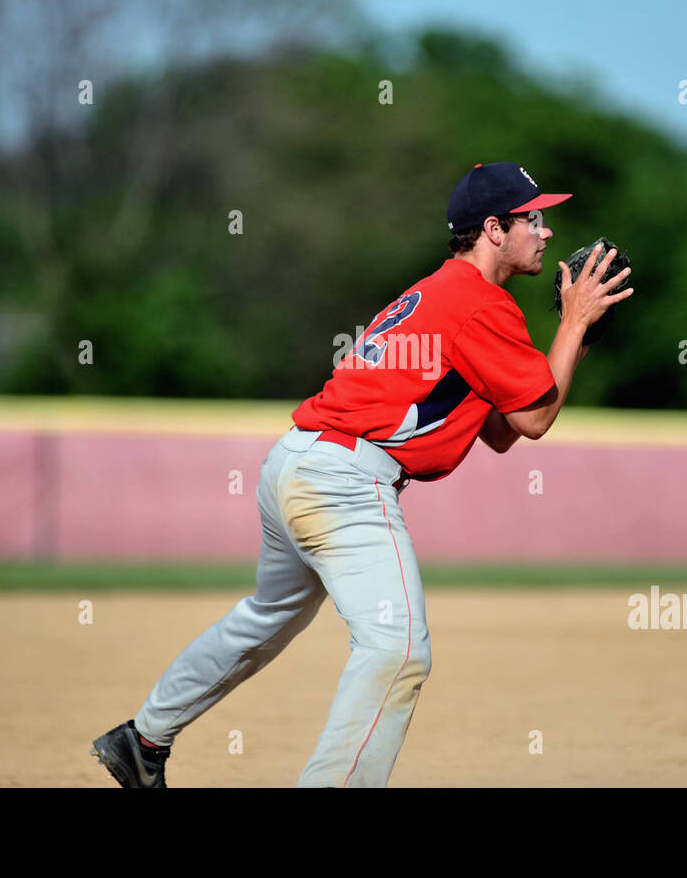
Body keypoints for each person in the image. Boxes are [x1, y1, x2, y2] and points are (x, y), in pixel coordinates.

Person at [91, 161, 633, 788]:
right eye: (531, 218)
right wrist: (569, 323)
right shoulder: (483, 304)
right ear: (493, 229)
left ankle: (144, 738)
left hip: (297, 461)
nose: (544, 231)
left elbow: (504, 431)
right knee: (398, 650)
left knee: (268, 616)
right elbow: (538, 418)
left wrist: (579, 336)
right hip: (342, 482)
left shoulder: (438, 294)